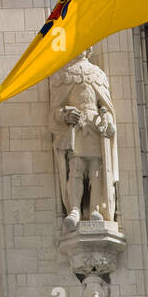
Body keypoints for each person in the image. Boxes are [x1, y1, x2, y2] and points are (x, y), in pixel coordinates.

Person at [50, 52, 118, 230]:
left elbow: (106, 106)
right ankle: (74, 209)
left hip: (94, 125)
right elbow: (55, 111)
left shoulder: (98, 74)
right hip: (76, 127)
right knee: (76, 168)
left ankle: (95, 208)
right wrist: (65, 115)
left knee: (96, 169)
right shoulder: (63, 75)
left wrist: (108, 120)